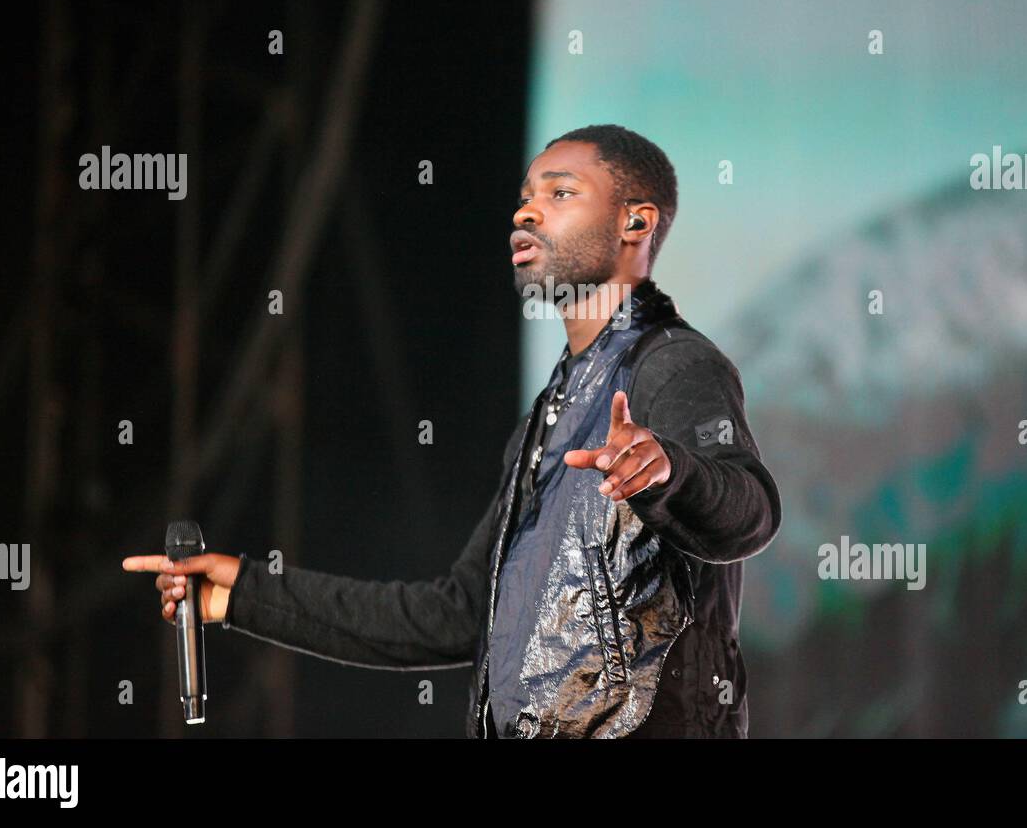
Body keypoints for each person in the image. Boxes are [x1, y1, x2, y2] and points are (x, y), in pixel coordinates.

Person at [124, 123, 782, 738]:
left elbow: (749, 513)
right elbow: (456, 615)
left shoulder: (671, 365)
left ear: (635, 222)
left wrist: (669, 471)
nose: (526, 212)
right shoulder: (548, 418)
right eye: (525, 197)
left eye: (560, 193)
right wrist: (245, 593)